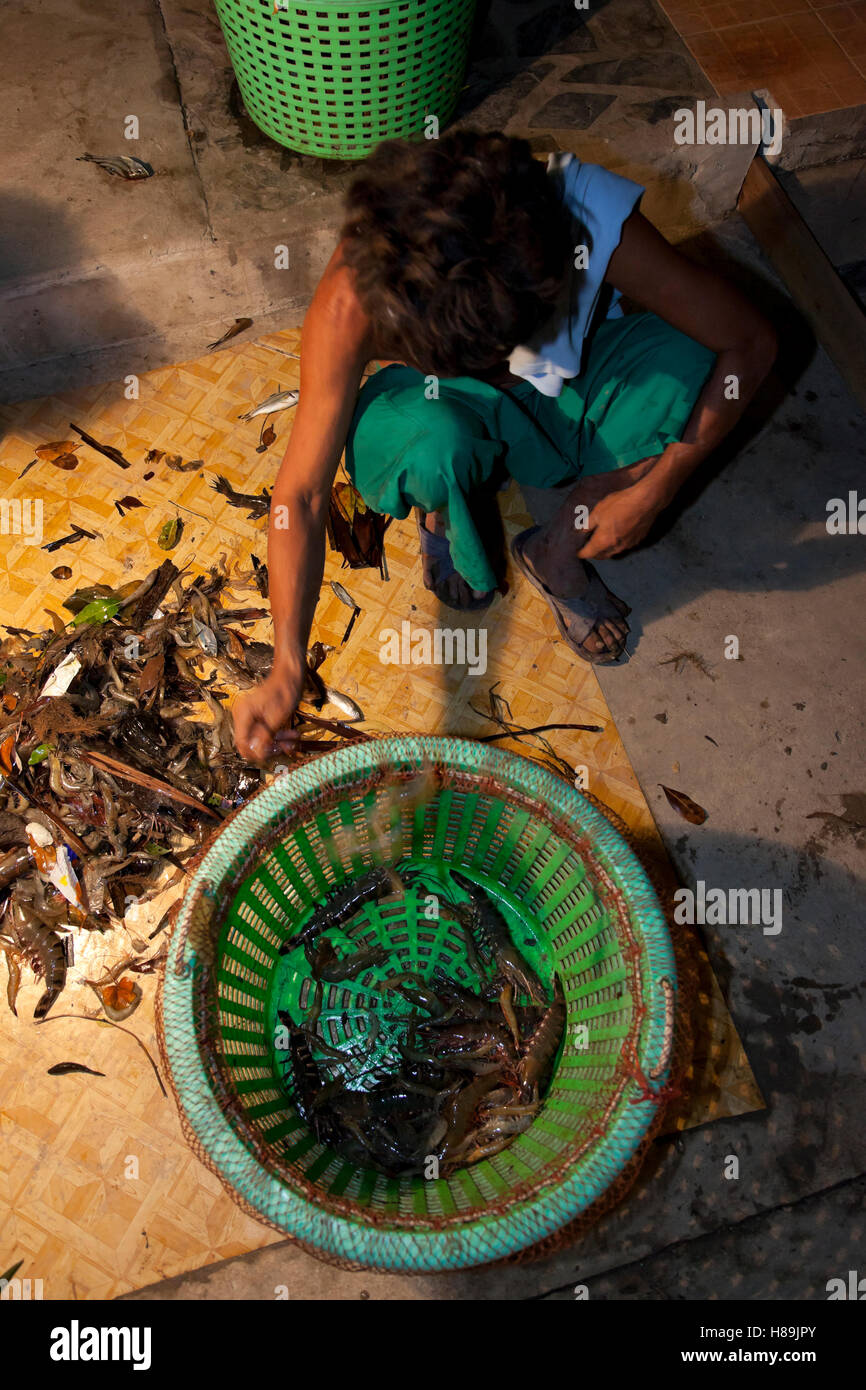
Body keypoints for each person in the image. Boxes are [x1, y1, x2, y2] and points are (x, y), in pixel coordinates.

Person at [232, 129, 777, 761]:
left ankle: (555, 545)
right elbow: (296, 495)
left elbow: (751, 344)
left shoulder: (587, 220)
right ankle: (450, 497)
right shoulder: (363, 289)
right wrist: (286, 666)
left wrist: (662, 485)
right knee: (427, 443)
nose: (503, 372)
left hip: (574, 387)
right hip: (446, 401)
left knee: (699, 361)